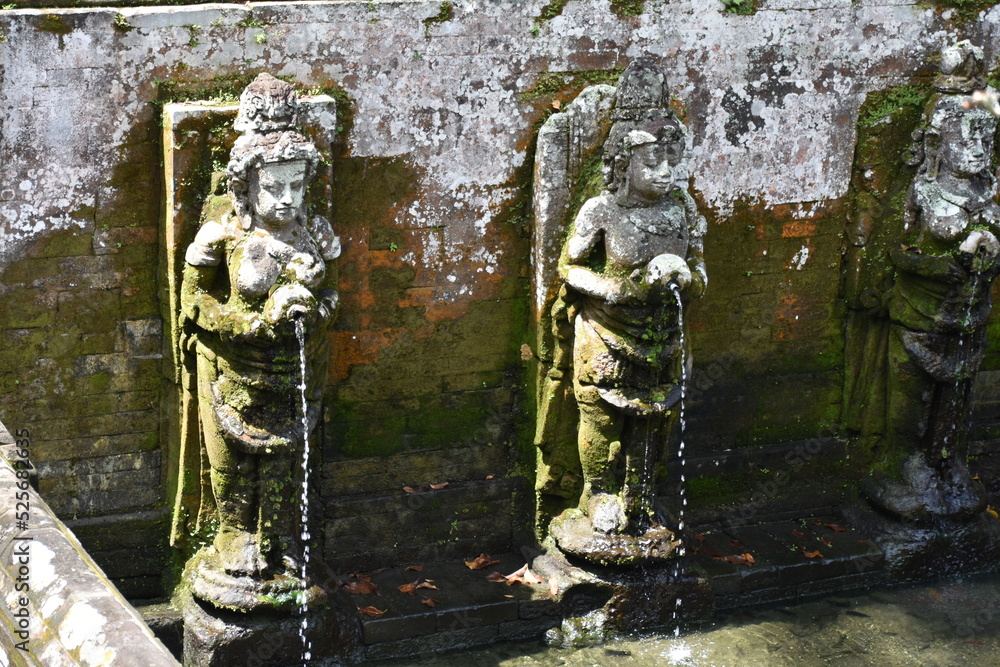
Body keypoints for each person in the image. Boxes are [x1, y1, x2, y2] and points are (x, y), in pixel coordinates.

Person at [180, 74, 340, 606]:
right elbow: (194, 302)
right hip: (232, 364)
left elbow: (335, 297)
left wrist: (315, 307)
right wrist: (250, 324)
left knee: (286, 459)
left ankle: (280, 536)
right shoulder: (222, 233)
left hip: (296, 365)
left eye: (297, 185)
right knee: (231, 459)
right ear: (245, 186)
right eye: (274, 187)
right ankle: (236, 533)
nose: (288, 199)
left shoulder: (314, 232)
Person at [548, 60, 706, 562]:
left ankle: (640, 490)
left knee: (654, 414)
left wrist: (687, 277)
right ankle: (597, 490)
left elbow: (701, 272)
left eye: (673, 161)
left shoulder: (683, 210)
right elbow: (569, 268)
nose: (666, 173)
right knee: (601, 416)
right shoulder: (602, 211)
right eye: (653, 162)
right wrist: (617, 289)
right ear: (622, 164)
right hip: (608, 331)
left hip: (663, 332)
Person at [868, 42, 1000, 521]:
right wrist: (939, 267)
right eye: (965, 139)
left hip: (970, 316)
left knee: (956, 402)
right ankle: (901, 463)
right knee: (912, 398)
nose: (977, 149)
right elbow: (896, 252)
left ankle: (947, 462)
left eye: (985, 138)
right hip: (920, 315)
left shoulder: (991, 191)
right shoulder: (924, 188)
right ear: (938, 142)